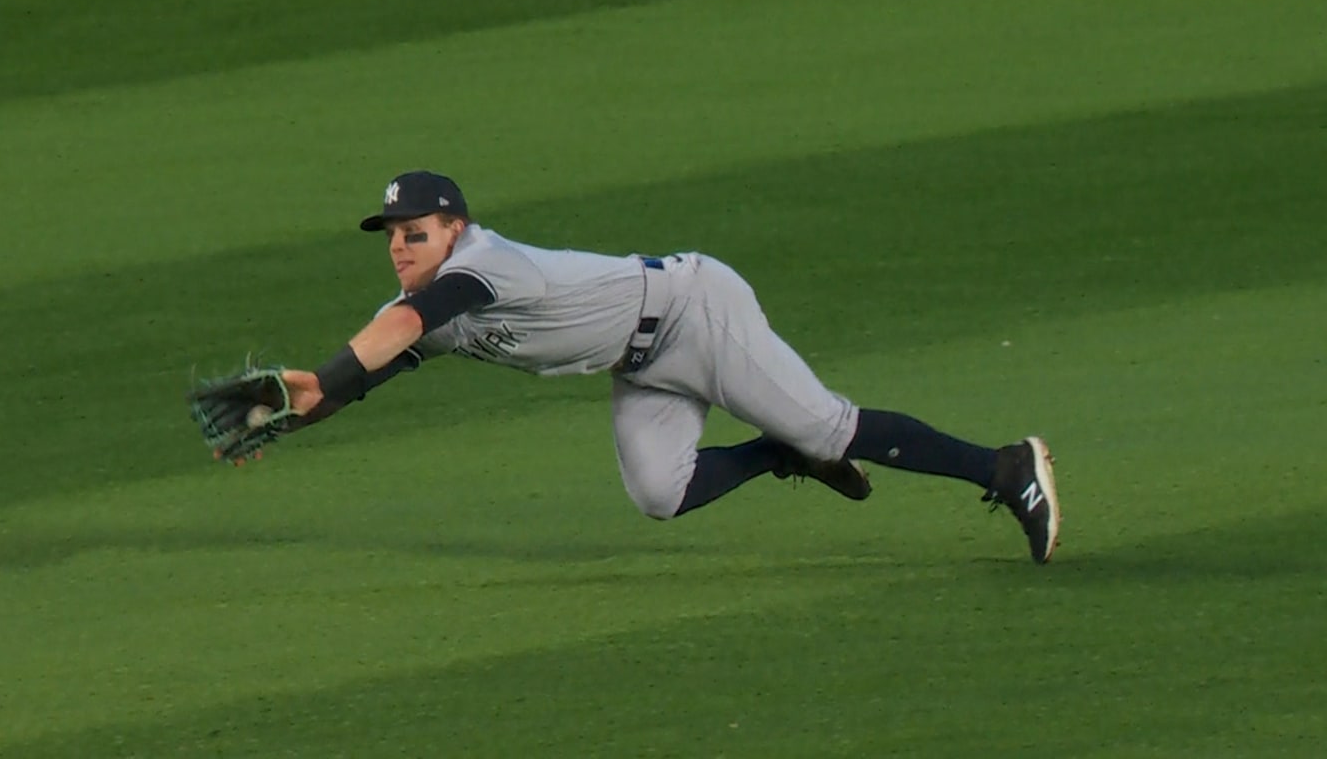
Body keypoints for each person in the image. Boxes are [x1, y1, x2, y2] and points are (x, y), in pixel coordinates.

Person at [276, 170, 1061, 563]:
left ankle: (1003, 467)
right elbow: (349, 380)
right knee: (660, 494)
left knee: (831, 424)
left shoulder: (489, 265)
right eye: (390, 235)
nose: (398, 246)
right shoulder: (423, 307)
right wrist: (283, 410)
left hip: (694, 313)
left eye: (414, 232)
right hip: (641, 362)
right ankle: (776, 451)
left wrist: (327, 375)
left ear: (455, 228)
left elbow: (405, 326)